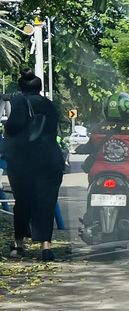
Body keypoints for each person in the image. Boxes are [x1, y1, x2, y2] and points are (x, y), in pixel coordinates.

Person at [77, 92, 129, 256]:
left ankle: (90, 224)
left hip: (99, 175)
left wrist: (80, 149)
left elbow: (89, 147)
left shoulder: (98, 129)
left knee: (91, 203)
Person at [2, 70, 64, 261]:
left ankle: (19, 246)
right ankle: (46, 247)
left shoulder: (19, 102)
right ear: (40, 88)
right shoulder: (49, 104)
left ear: (21, 87)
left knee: (23, 202)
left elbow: (12, 128)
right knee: (47, 202)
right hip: (51, 158)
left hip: (24, 161)